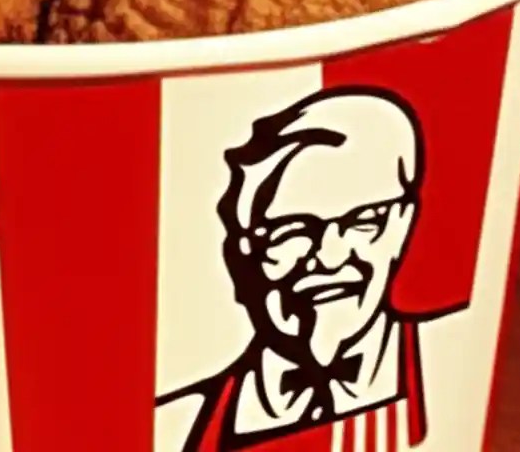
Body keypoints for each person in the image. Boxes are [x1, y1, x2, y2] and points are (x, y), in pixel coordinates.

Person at [157, 88, 431, 451]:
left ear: (401, 226)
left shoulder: (448, 360)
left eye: (363, 222)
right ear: (242, 254)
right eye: (293, 232)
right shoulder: (179, 420)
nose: (331, 258)